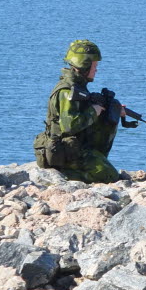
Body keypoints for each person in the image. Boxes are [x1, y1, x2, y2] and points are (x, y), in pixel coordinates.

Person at [33, 39, 130, 183]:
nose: (96, 69)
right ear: (84, 66)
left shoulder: (78, 86)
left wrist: (113, 110)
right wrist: (93, 111)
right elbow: (69, 126)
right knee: (110, 176)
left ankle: (90, 163)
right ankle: (68, 176)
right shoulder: (67, 91)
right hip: (65, 151)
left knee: (108, 118)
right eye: (94, 65)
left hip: (74, 146)